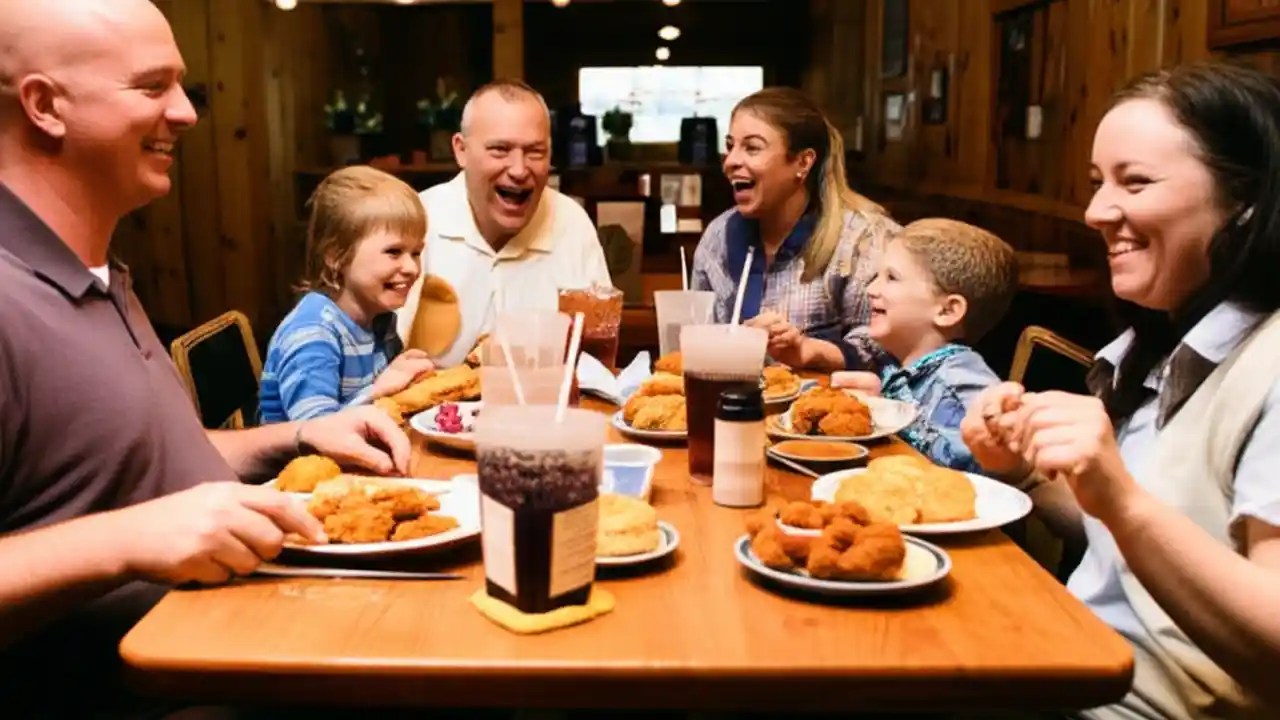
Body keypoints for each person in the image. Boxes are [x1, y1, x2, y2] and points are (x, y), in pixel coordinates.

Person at [0, 0, 410, 711]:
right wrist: (124, 541)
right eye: (151, 86)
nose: (187, 113)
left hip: (244, 640)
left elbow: (143, 466)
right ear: (45, 105)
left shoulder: (103, 273)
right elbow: (135, 516)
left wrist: (300, 434)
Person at [961, 62, 1280, 718]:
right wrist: (1024, 468)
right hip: (1062, 666)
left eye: (1135, 182)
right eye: (1097, 182)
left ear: (1244, 199)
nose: (1095, 211)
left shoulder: (1270, 363)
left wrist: (1125, 502)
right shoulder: (1159, 342)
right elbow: (1137, 544)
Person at [395, 80, 611, 368]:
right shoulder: (416, 221)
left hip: (545, 408)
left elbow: (595, 364)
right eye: (500, 150)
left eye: (535, 152)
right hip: (431, 411)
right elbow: (378, 362)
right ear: (461, 150)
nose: (519, 170)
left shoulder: (571, 224)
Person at [690, 86, 899, 372]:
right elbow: (698, 341)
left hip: (828, 409)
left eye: (752, 147)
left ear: (803, 162)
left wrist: (808, 350)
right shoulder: (717, 238)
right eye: (730, 146)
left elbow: (888, 350)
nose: (730, 161)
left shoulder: (865, 238)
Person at [830, 219, 1016, 472]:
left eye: (891, 278)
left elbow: (985, 468)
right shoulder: (895, 363)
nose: (871, 288)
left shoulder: (962, 382)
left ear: (948, 310)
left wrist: (892, 416)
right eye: (877, 276)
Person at [259, 166, 436, 422]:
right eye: (394, 252)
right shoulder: (313, 335)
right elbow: (313, 431)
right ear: (336, 256)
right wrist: (379, 390)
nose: (411, 268)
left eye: (416, 253)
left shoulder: (377, 318)